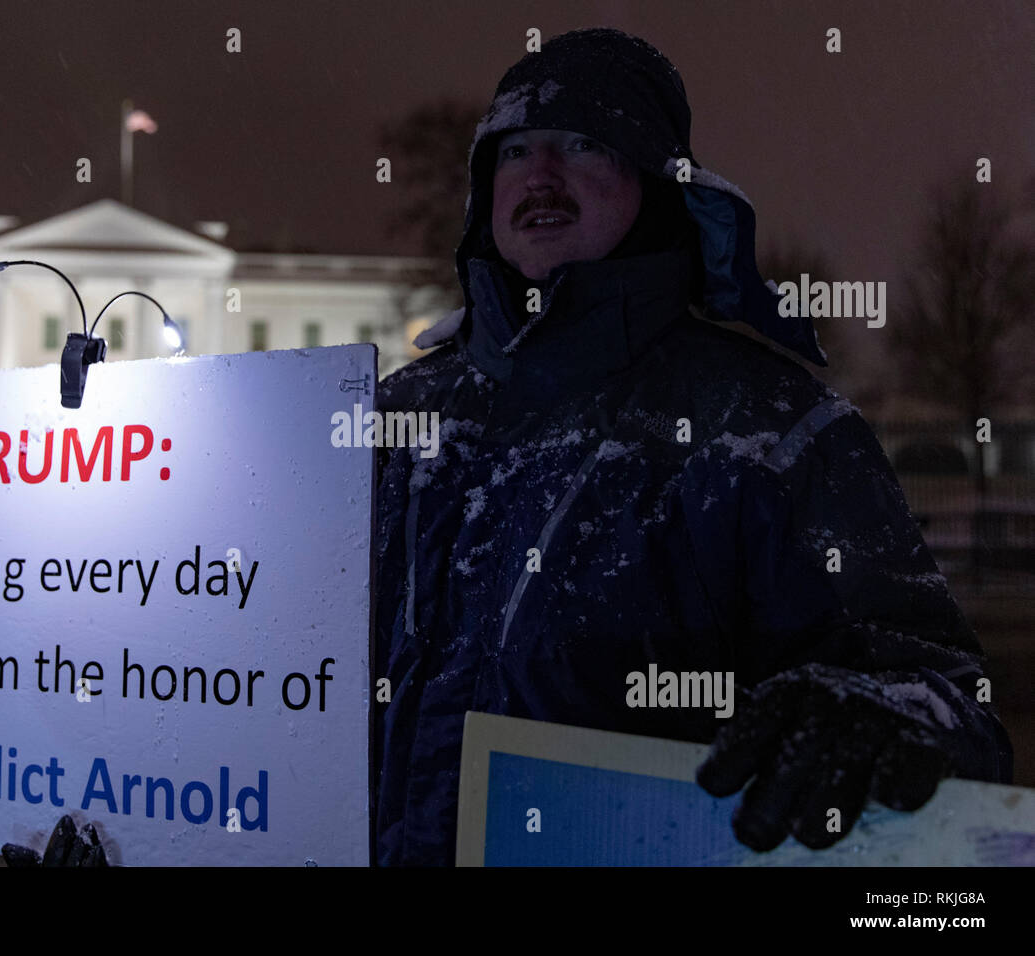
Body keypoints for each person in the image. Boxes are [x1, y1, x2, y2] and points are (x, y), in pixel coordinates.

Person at [370, 28, 1012, 866]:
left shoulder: (769, 431)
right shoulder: (395, 420)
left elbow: (951, 700)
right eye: (514, 149)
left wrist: (878, 717)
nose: (539, 175)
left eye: (584, 143)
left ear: (656, 182)